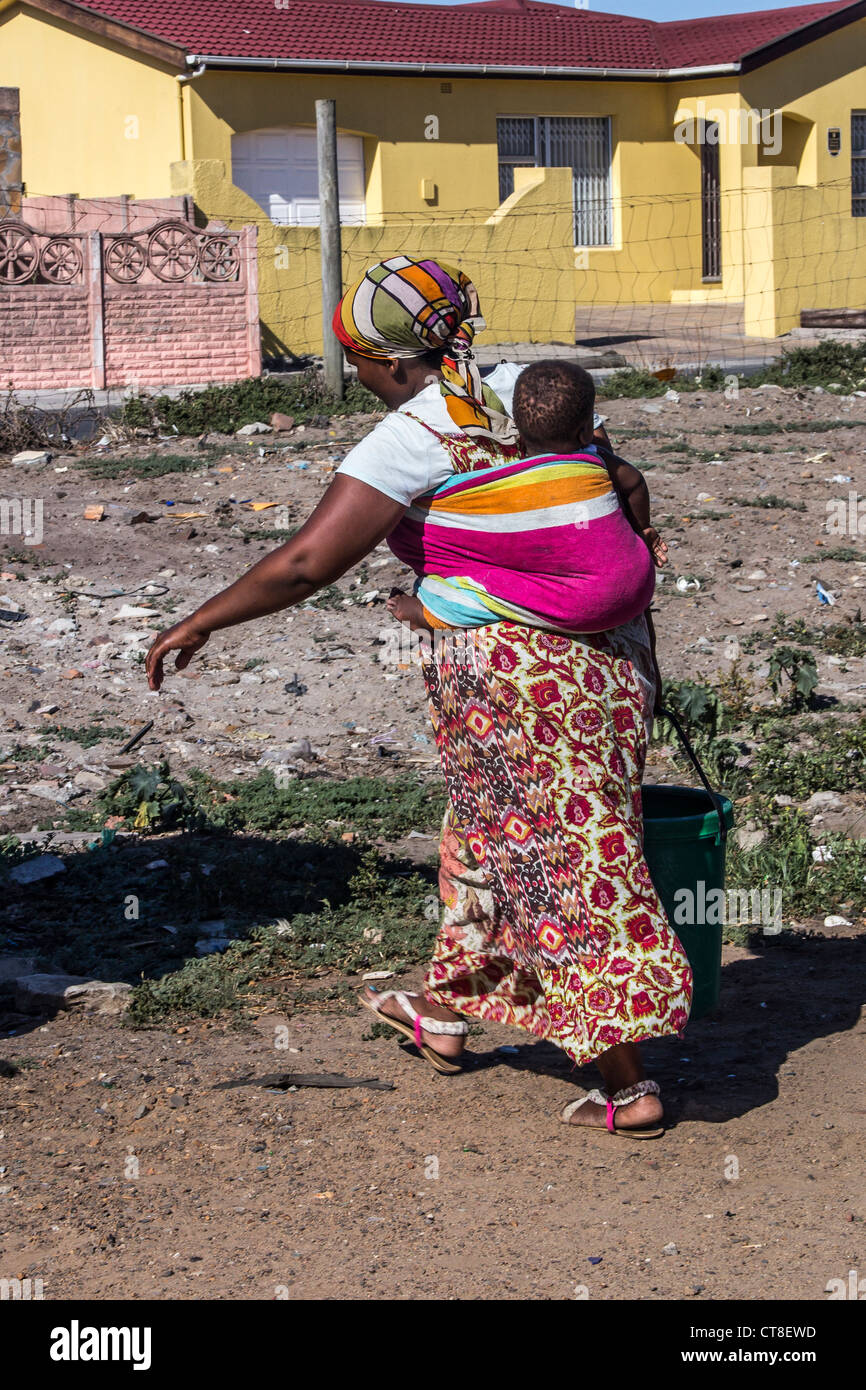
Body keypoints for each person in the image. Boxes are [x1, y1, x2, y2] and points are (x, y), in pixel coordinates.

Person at [145, 255, 692, 1138]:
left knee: (563, 856)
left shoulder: (414, 430)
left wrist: (200, 621)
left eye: (359, 360)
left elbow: (306, 563)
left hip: (511, 674)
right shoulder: (531, 387)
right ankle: (444, 1007)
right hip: (612, 661)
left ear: (396, 362)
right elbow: (621, 488)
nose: (359, 378)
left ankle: (625, 1079)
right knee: (485, 829)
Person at [385, 358, 666, 638]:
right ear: (583, 430)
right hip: (638, 585)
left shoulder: (511, 478)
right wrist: (644, 529)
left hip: (586, 606)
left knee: (492, 590)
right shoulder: (596, 458)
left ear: (516, 425)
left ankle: (429, 613)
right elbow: (634, 482)